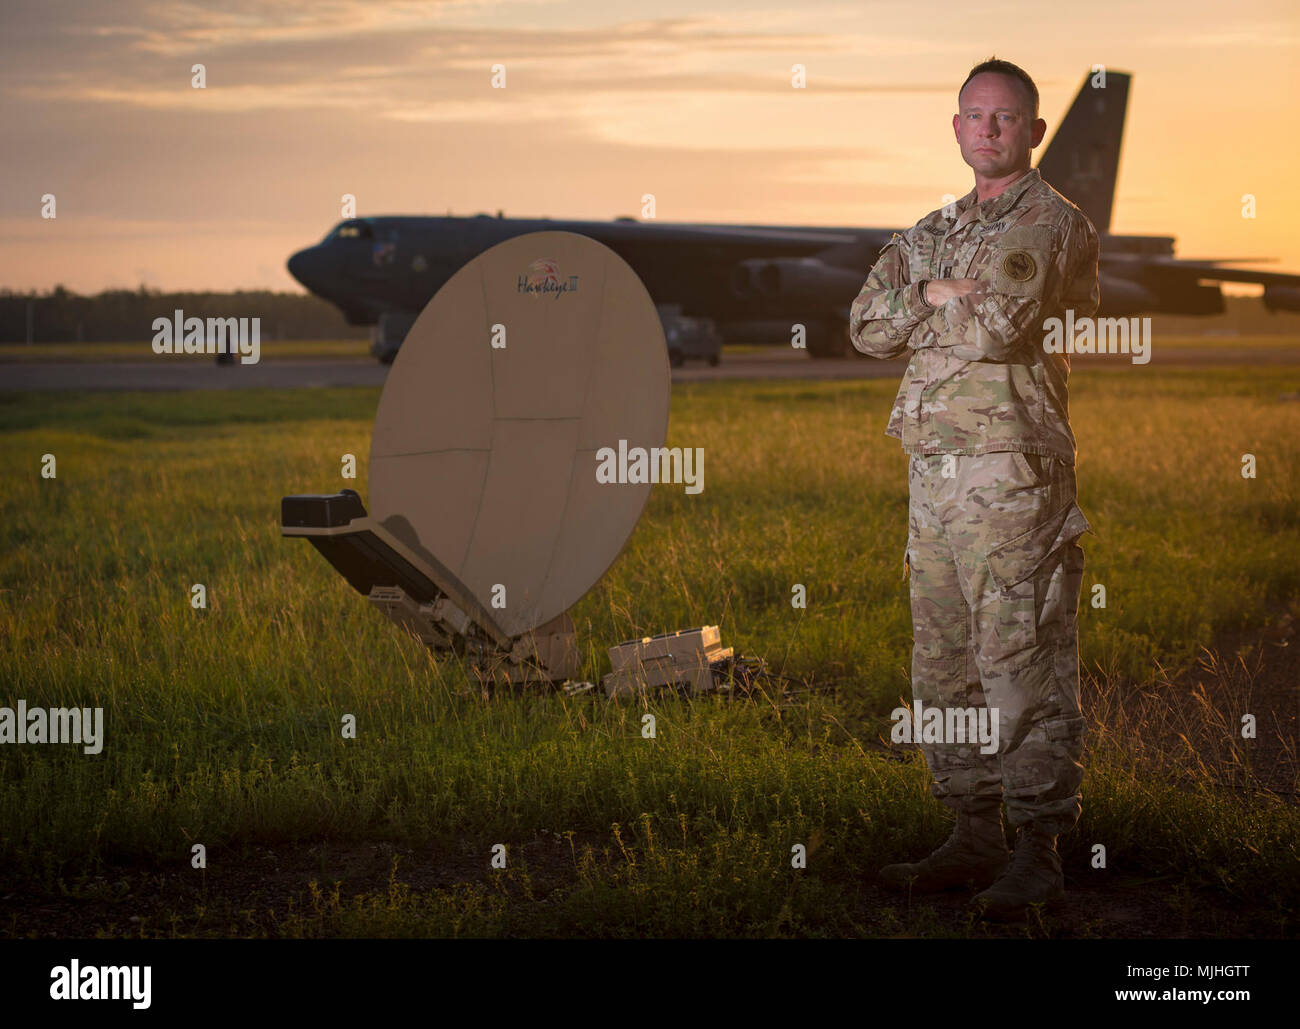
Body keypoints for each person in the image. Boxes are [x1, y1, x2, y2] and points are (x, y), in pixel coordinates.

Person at [849, 57, 1100, 921]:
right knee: (945, 661)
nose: (988, 129)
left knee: (1020, 658)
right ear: (955, 129)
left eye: (1006, 118)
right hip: (936, 479)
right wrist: (936, 285)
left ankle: (1039, 849)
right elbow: (865, 324)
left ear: (1033, 131)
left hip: (1013, 474)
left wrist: (922, 300)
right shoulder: (935, 229)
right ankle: (971, 831)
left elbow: (1002, 326)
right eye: (974, 116)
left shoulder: (1050, 222)